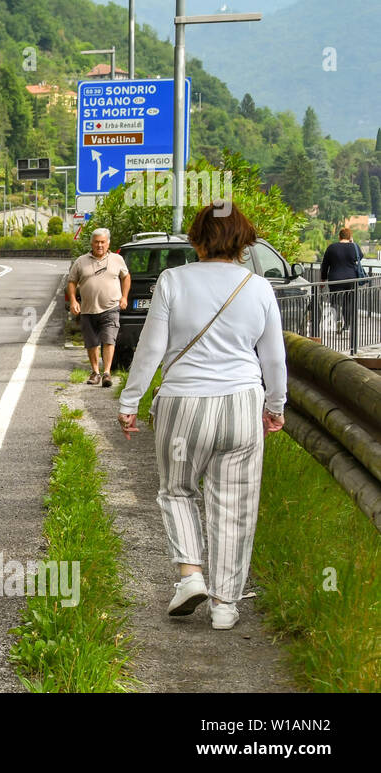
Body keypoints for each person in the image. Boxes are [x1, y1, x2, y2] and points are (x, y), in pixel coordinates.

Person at [118, 202, 287, 631]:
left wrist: (129, 401)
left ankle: (190, 576)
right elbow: (273, 359)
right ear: (244, 241)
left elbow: (152, 348)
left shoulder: (173, 280)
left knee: (177, 491)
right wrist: (275, 407)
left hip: (183, 404)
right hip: (242, 404)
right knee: (235, 506)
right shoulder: (259, 287)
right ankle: (225, 605)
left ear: (196, 238)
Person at [66, 227, 131, 388]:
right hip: (88, 309)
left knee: (109, 340)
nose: (99, 245)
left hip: (111, 308)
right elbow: (72, 281)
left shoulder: (117, 259)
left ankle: (107, 373)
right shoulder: (81, 261)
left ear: (108, 243)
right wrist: (74, 301)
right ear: (92, 243)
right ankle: (95, 372)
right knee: (91, 343)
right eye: (96, 242)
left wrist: (124, 297)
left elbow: (126, 276)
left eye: (102, 242)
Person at [321, 227, 364, 332]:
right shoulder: (354, 247)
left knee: (335, 301)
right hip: (351, 279)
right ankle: (346, 325)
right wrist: (352, 243)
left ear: (339, 236)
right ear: (350, 237)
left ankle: (337, 321)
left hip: (335, 279)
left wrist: (323, 279)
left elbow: (325, 265)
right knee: (348, 302)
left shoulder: (331, 247)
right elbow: (360, 257)